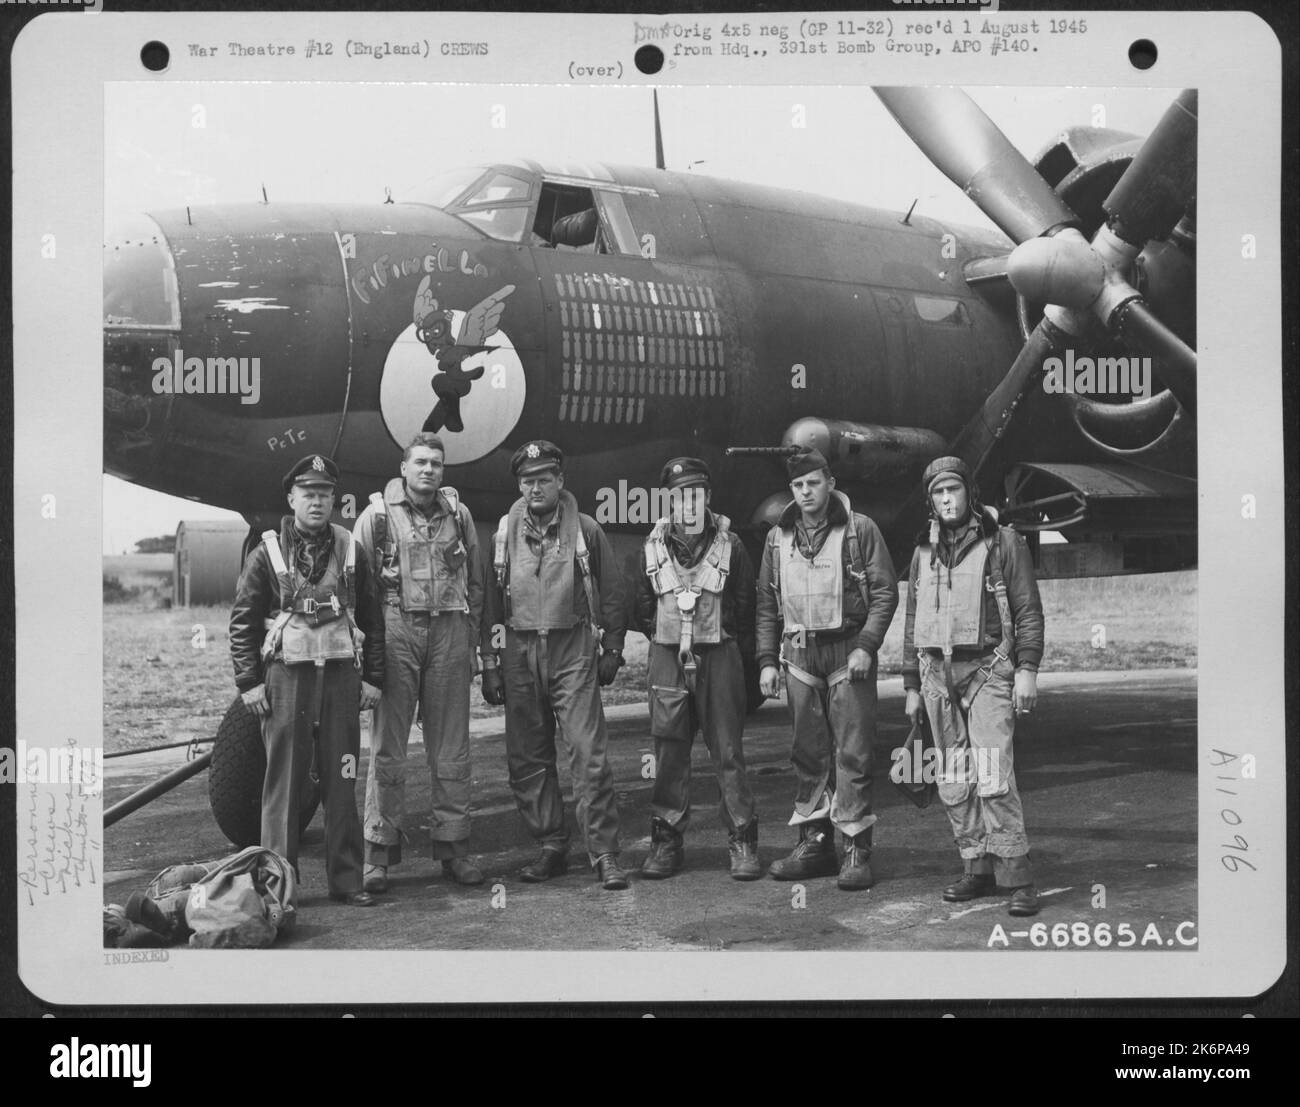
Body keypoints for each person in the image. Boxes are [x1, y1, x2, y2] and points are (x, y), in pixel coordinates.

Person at [229, 454, 385, 907]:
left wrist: (373, 678)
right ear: (291, 497)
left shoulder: (351, 549)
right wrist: (248, 683)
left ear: (334, 499)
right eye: (308, 493)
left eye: (324, 494)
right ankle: (279, 885)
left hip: (340, 674)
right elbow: (242, 621)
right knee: (284, 782)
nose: (316, 502)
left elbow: (372, 618)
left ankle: (348, 880)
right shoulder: (267, 552)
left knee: (343, 777)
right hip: (286, 675)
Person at [479, 441, 630, 890]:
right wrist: (489, 663)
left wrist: (615, 649)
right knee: (528, 758)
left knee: (589, 755)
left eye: (545, 478)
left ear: (561, 480)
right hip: (520, 654)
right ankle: (551, 845)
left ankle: (603, 853)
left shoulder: (586, 530)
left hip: (573, 649)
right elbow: (490, 605)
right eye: (528, 480)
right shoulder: (503, 536)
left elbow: (613, 593)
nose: (536, 487)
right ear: (519, 485)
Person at [903, 456, 1044, 916]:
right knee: (952, 777)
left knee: (992, 773)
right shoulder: (922, 551)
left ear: (970, 493)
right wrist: (910, 684)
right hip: (935, 676)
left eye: (954, 490)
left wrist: (1027, 669)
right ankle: (975, 865)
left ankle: (1016, 875)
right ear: (931, 500)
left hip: (988, 671)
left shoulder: (1004, 544)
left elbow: (1027, 611)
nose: (947, 500)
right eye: (938, 493)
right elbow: (912, 622)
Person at [756, 447, 898, 890]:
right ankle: (816, 843)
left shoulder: (860, 530)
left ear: (830, 483)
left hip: (847, 652)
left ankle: (856, 849)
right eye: (797, 486)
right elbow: (766, 604)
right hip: (799, 655)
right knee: (807, 752)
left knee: (852, 752)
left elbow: (884, 592)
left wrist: (867, 647)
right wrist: (765, 661)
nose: (805, 492)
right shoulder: (777, 538)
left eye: (813, 483)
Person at [353, 433, 485, 894]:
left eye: (436, 463)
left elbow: (477, 584)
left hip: (450, 630)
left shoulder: (460, 515)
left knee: (452, 749)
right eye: (421, 462)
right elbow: (358, 591)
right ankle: (378, 855)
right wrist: (369, 656)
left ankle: (454, 849)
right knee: (389, 749)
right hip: (396, 630)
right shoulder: (375, 517)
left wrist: (472, 643)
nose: (429, 469)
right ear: (404, 468)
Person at [633, 457, 760, 880]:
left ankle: (742, 840)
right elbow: (642, 607)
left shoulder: (732, 547)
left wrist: (728, 647)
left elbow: (745, 605)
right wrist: (666, 635)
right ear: (669, 500)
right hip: (667, 657)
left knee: (728, 752)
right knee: (669, 753)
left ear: (708, 497)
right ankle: (666, 841)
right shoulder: (651, 548)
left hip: (720, 655)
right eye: (679, 495)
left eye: (695, 493)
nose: (688, 503)